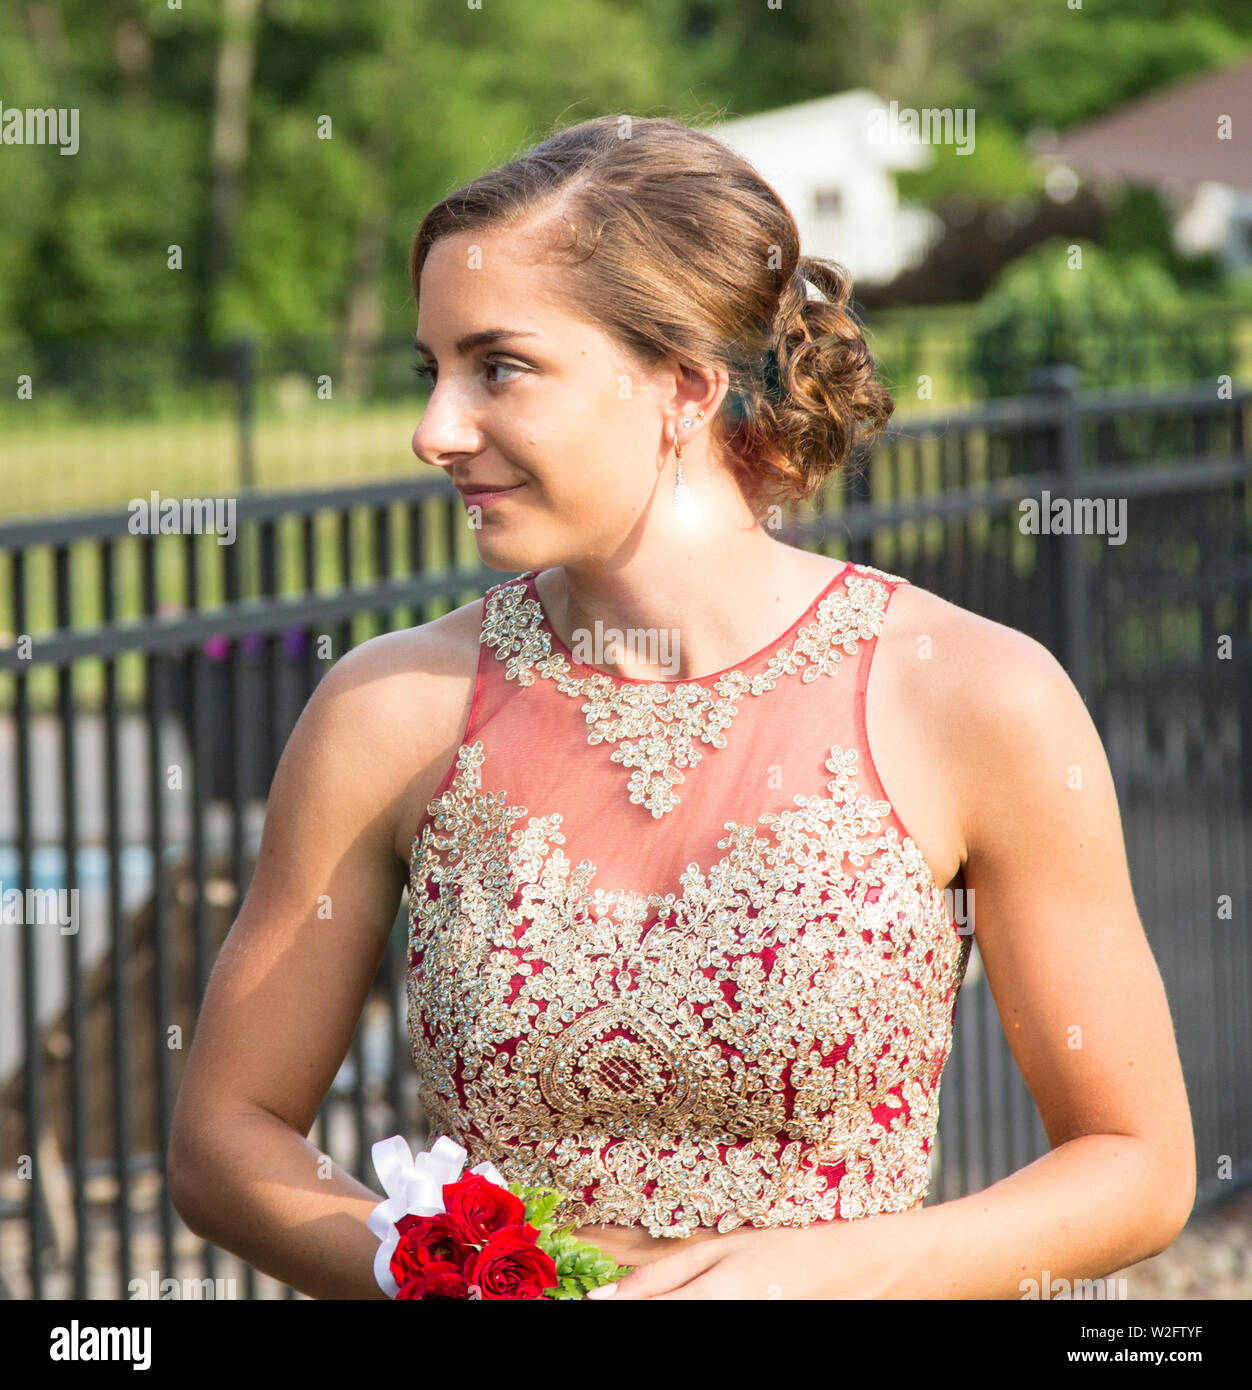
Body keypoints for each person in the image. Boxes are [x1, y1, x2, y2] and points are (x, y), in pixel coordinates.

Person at [168, 114, 1195, 1300]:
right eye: (431, 370)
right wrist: (465, 1278)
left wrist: (819, 1274)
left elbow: (1137, 1163)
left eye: (497, 366)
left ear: (687, 386)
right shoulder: (390, 711)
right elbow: (226, 1134)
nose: (434, 430)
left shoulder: (979, 697)